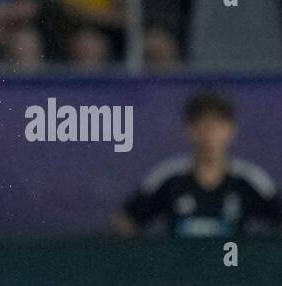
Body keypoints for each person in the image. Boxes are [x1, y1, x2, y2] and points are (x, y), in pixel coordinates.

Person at [115, 91, 280, 238]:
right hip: (180, 271)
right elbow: (125, 221)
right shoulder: (169, 177)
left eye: (218, 127)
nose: (211, 135)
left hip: (231, 270)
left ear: (231, 131)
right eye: (204, 127)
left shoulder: (249, 180)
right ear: (190, 130)